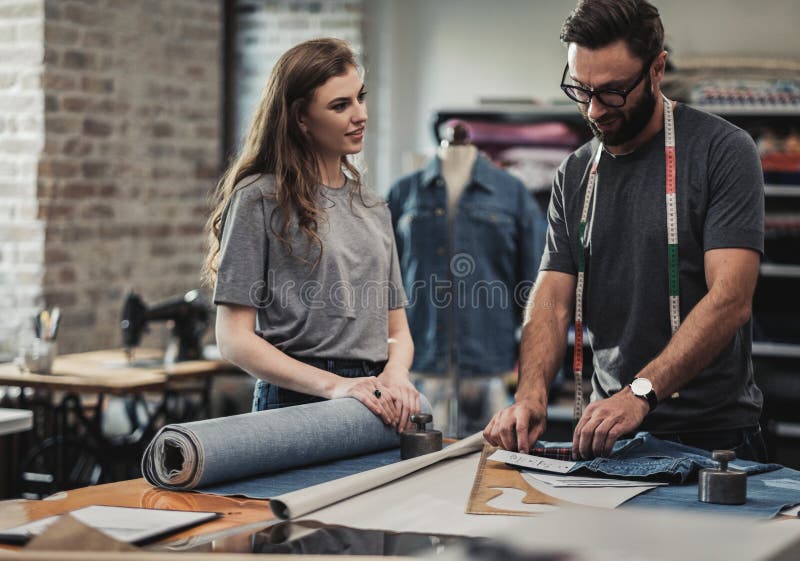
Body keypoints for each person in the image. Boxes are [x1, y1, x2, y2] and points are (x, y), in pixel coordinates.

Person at [484, 0, 767, 461]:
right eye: (580, 89)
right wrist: (531, 394)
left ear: (657, 69)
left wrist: (639, 392)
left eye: (613, 92)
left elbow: (730, 300)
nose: (594, 110)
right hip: (611, 433)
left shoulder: (723, 152)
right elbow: (552, 297)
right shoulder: (575, 173)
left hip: (713, 437)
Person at [203, 38, 420, 432]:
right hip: (295, 398)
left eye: (360, 98)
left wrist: (397, 374)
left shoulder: (374, 207)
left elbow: (397, 331)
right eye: (340, 106)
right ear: (301, 118)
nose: (360, 115)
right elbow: (233, 338)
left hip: (373, 398)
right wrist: (337, 386)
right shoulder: (259, 200)